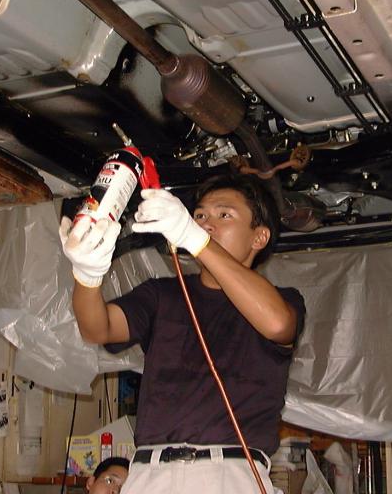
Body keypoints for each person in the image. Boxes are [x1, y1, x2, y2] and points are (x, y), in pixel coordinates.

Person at [59, 174, 306, 494]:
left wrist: (195, 238)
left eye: (224, 215)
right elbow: (98, 328)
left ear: (259, 237)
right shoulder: (162, 294)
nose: (206, 223)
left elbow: (277, 324)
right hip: (150, 474)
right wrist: (87, 275)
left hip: (227, 476)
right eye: (200, 215)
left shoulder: (282, 300)